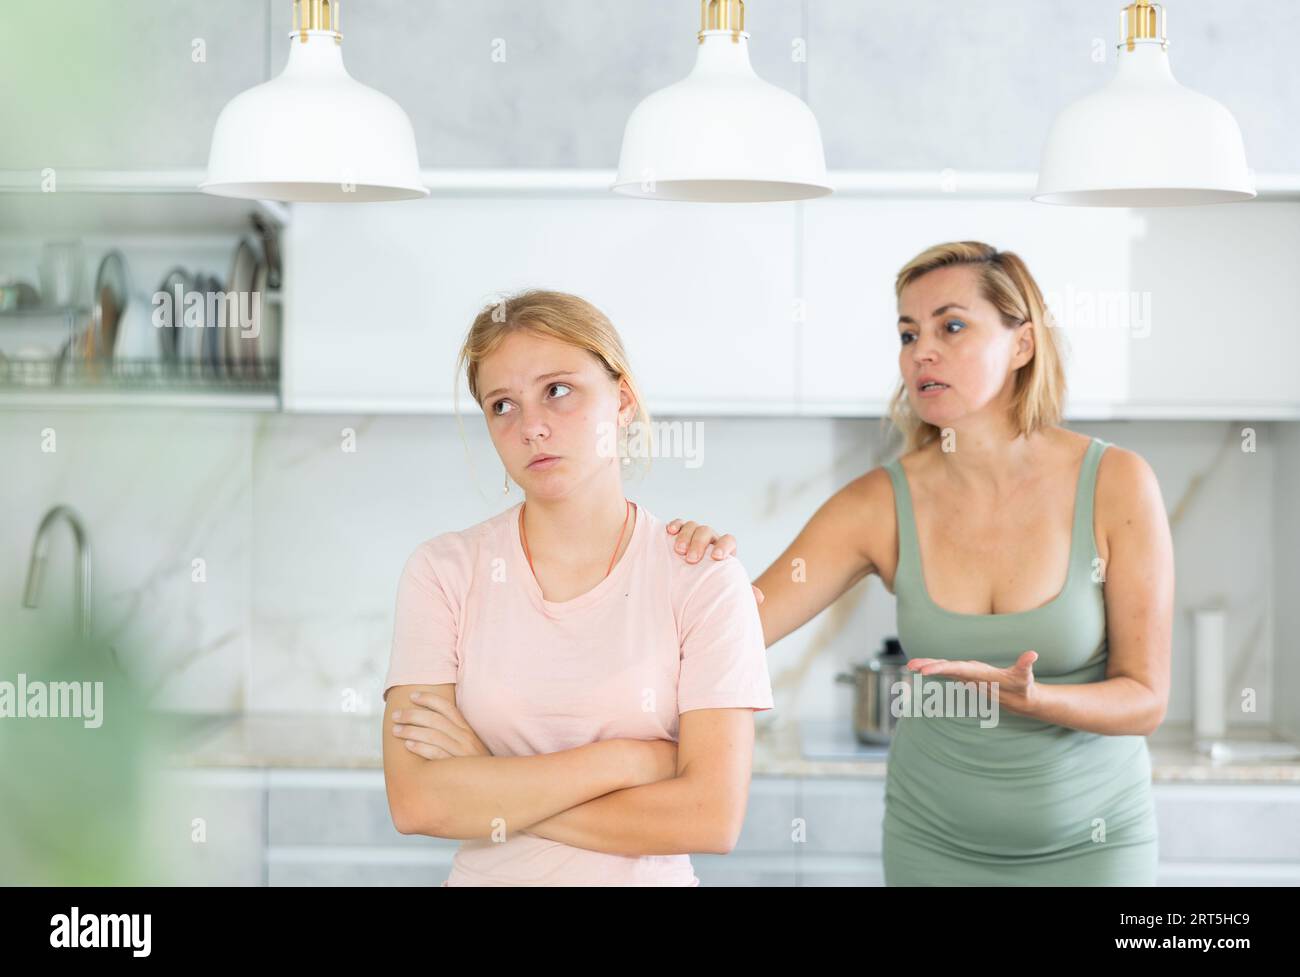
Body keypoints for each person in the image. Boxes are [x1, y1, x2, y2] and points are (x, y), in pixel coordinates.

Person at [662, 241, 1173, 884]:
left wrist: (1035, 699)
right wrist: (702, 572)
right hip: (933, 849)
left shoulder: (1117, 483)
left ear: (1022, 344)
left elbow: (1145, 699)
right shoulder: (879, 503)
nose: (921, 352)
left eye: (951, 326)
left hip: (1093, 848)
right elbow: (736, 629)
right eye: (908, 334)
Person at [381, 289, 773, 886]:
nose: (531, 426)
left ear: (622, 399)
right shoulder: (443, 571)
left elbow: (710, 817)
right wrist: (632, 760)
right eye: (502, 405)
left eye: (557, 390)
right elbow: (418, 803)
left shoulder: (703, 576)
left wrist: (489, 779)